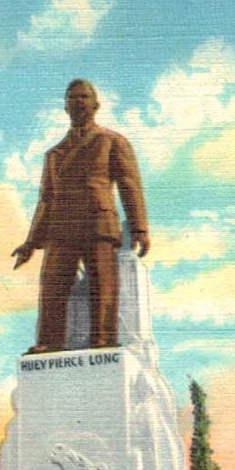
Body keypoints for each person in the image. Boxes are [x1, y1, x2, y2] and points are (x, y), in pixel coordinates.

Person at [12, 79, 150, 353]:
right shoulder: (54, 154)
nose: (78, 102)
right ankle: (49, 342)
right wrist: (30, 243)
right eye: (72, 98)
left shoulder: (111, 141)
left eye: (84, 97)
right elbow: (45, 201)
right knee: (52, 287)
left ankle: (103, 343)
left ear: (95, 104)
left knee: (103, 287)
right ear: (65, 107)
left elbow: (129, 184)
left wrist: (139, 228)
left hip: (98, 223)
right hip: (60, 228)